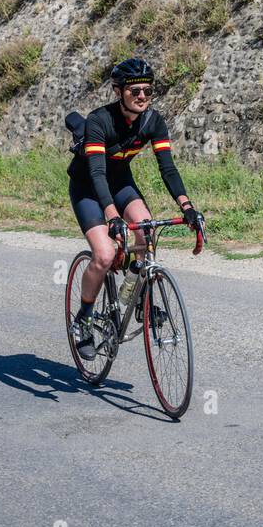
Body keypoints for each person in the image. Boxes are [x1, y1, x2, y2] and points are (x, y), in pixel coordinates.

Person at [68, 58, 202, 357]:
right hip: (88, 186)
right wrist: (112, 216)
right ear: (119, 92)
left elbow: (167, 168)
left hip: (121, 182)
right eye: (135, 91)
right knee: (104, 255)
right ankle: (84, 319)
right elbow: (97, 174)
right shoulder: (99, 121)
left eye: (148, 91)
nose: (142, 96)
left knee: (145, 230)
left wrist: (187, 206)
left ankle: (136, 298)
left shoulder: (153, 121)